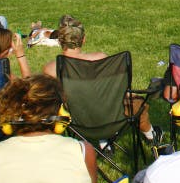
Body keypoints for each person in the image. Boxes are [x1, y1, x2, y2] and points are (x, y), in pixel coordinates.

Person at [42, 16, 160, 145]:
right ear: (84, 39)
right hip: (112, 120)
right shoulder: (100, 60)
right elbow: (116, 91)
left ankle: (104, 143)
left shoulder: (50, 69)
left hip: (77, 123)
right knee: (137, 103)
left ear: (60, 41)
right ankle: (151, 136)